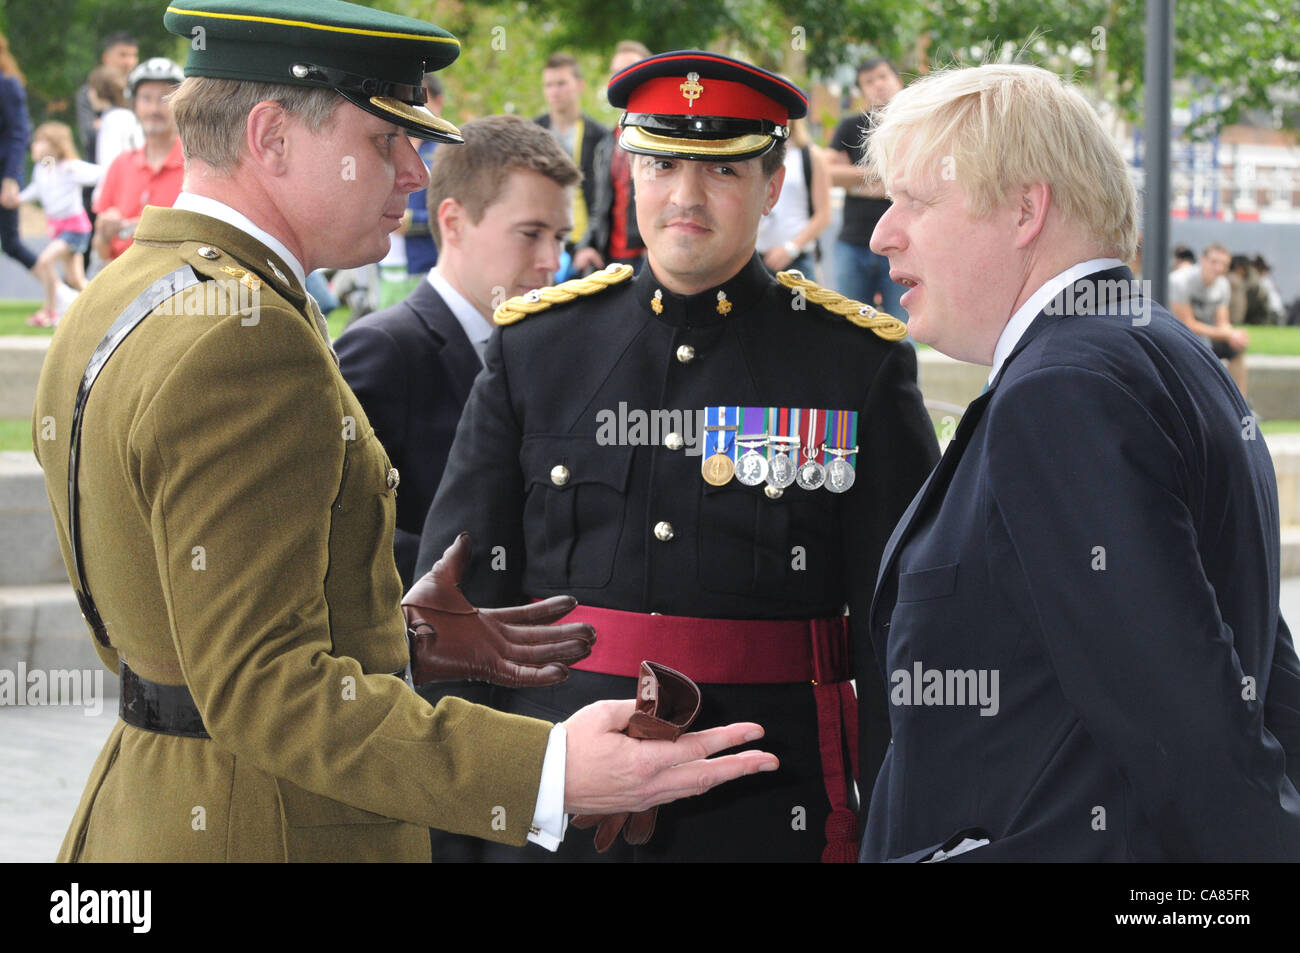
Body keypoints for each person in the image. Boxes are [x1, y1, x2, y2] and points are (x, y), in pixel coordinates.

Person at [32, 0, 776, 864]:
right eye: (384, 141)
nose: (417, 173)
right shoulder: (249, 339)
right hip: (262, 826)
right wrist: (552, 769)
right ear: (271, 138)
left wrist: (392, 634)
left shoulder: (121, 293)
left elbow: (172, 623)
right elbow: (265, 690)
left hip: (152, 806)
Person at [417, 50, 939, 863]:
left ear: (773, 187)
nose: (686, 197)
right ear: (629, 173)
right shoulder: (537, 346)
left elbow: (898, 628)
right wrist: (464, 827)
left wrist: (896, 833)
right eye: (661, 164)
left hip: (770, 805)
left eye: (723, 171)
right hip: (559, 807)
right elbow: (458, 612)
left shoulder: (852, 363)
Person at [860, 63, 1300, 862]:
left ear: (1026, 208)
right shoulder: (1163, 350)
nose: (881, 232)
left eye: (915, 201)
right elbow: (1260, 683)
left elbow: (1189, 731)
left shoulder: (1062, 388)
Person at [338, 115, 577, 589]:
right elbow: (345, 537)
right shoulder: (384, 351)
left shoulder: (552, 355)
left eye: (561, 238)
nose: (552, 261)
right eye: (530, 234)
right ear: (454, 222)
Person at [828, 58, 908, 318]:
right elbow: (829, 175)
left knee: (901, 329)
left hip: (904, 246)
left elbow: (922, 176)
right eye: (868, 82)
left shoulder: (916, 127)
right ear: (862, 91)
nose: (878, 85)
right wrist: (883, 175)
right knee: (851, 330)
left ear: (898, 80)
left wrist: (856, 182)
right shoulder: (850, 127)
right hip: (853, 244)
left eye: (883, 76)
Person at [92, 58, 185, 264]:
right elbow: (101, 252)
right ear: (134, 104)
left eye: (164, 98)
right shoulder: (120, 165)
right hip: (123, 280)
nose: (154, 109)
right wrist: (104, 235)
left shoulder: (195, 167)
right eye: (146, 98)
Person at [571, 40, 650, 276]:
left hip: (649, 260)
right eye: (616, 71)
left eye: (631, 69)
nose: (623, 77)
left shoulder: (664, 138)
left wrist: (660, 245)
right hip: (611, 260)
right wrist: (586, 247)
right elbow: (600, 207)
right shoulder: (607, 143)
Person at [18, 122, 102, 325]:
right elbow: (36, 190)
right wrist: (17, 200)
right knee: (76, 280)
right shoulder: (42, 169)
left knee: (45, 261)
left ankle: (50, 311)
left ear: (55, 146)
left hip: (74, 229)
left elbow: (100, 173)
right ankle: (102, 308)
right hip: (58, 229)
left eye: (41, 141)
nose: (35, 146)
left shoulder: (69, 167)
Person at [534, 52, 609, 272]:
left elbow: (603, 199)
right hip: (542, 239)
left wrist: (589, 244)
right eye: (548, 85)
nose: (554, 91)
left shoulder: (600, 136)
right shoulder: (532, 133)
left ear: (580, 85)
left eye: (561, 83)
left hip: (587, 246)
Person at [1168, 243, 1249, 397]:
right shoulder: (1180, 281)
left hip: (1203, 336)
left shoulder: (1223, 285)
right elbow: (1187, 324)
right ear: (1202, 260)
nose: (1218, 268)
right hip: (1176, 336)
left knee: (1236, 349)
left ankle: (1241, 407)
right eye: (1214, 262)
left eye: (1224, 264)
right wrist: (1226, 334)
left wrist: (1234, 335)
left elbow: (1222, 323)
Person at [756, 117, 831, 280]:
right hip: (755, 258)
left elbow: (824, 215)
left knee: (800, 306)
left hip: (797, 260)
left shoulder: (811, 155)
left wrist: (791, 249)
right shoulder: (752, 153)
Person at [401, 73, 446, 278]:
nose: (414, 107)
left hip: (430, 264)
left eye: (421, 99)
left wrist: (412, 223)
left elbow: (462, 210)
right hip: (387, 267)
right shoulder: (391, 142)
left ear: (439, 102)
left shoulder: (448, 151)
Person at [0, 31, 38, 275]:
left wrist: (11, 179)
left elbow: (19, 133)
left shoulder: (7, 85)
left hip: (4, 174)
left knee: (11, 243)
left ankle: (59, 291)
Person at [75, 31, 138, 162]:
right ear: (106, 57)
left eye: (133, 55)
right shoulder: (89, 91)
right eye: (123, 55)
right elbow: (89, 135)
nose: (129, 61)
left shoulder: (139, 91)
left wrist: (100, 124)